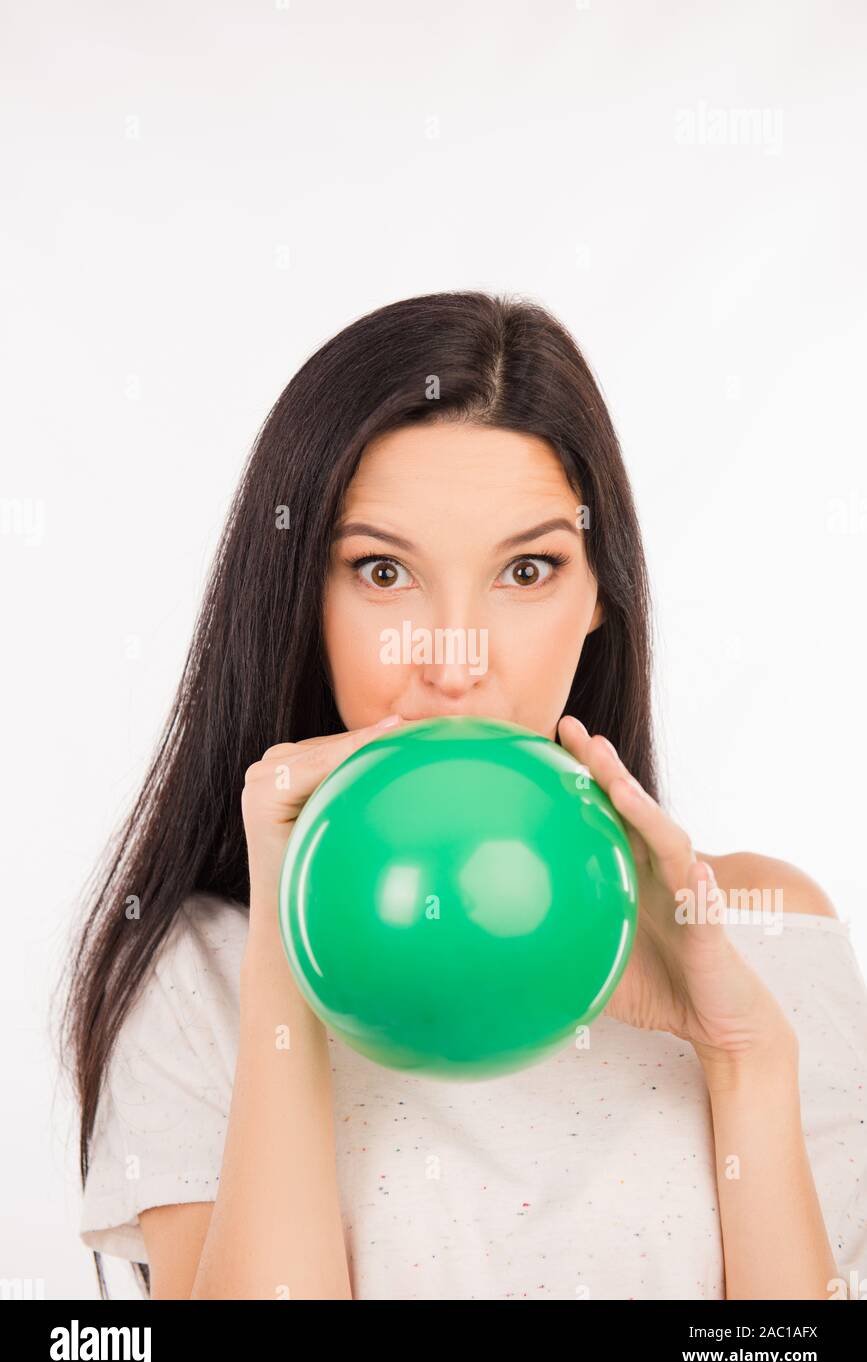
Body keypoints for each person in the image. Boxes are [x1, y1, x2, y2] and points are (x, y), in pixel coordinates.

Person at [57, 291, 867, 1300]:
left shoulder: (762, 930)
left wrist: (744, 1057)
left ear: (597, 596)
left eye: (526, 569)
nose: (454, 661)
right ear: (302, 596)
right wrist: (290, 946)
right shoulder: (206, 977)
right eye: (383, 570)